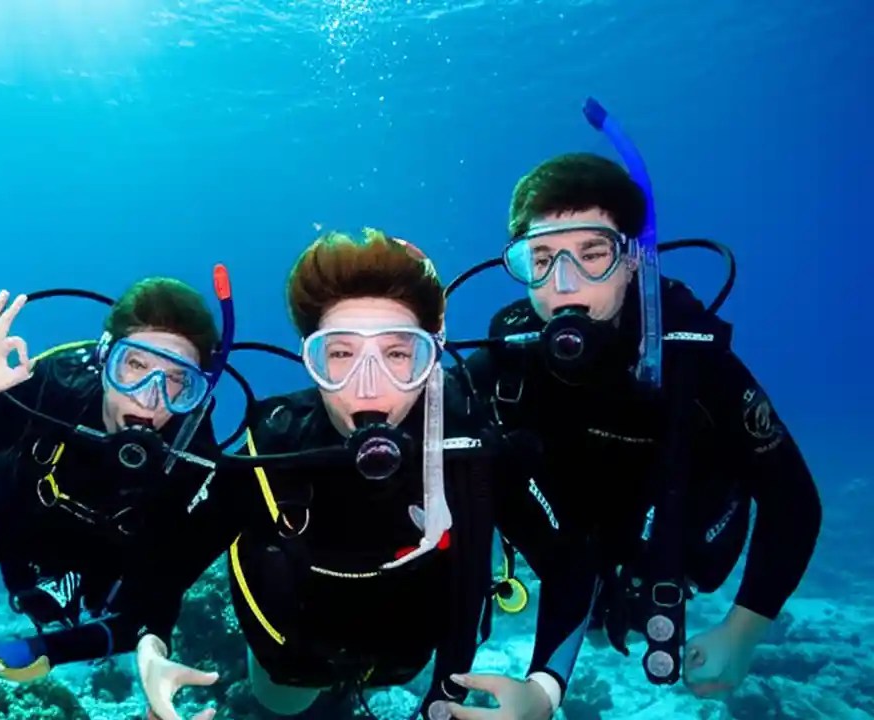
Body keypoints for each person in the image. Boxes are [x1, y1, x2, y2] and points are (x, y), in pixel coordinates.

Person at [440, 142, 822, 720]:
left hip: (678, 544)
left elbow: (792, 498)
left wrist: (743, 631)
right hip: (569, 546)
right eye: (540, 258)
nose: (563, 283)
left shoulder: (696, 363)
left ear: (635, 261)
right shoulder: (505, 365)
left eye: (592, 253)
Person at [114, 228, 497, 720]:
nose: (368, 385)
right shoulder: (271, 450)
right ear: (310, 361)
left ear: (429, 361)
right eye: (340, 354)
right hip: (289, 671)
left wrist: (544, 686)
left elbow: (569, 554)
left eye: (398, 354)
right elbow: (170, 561)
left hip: (407, 664)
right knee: (284, 703)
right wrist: (152, 645)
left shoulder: (467, 449)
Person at [0, 275, 235, 681]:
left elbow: (150, 613)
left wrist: (35, 651)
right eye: (136, 365)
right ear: (104, 359)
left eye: (178, 380)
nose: (149, 396)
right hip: (15, 550)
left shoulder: (194, 461)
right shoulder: (50, 391)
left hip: (98, 592)